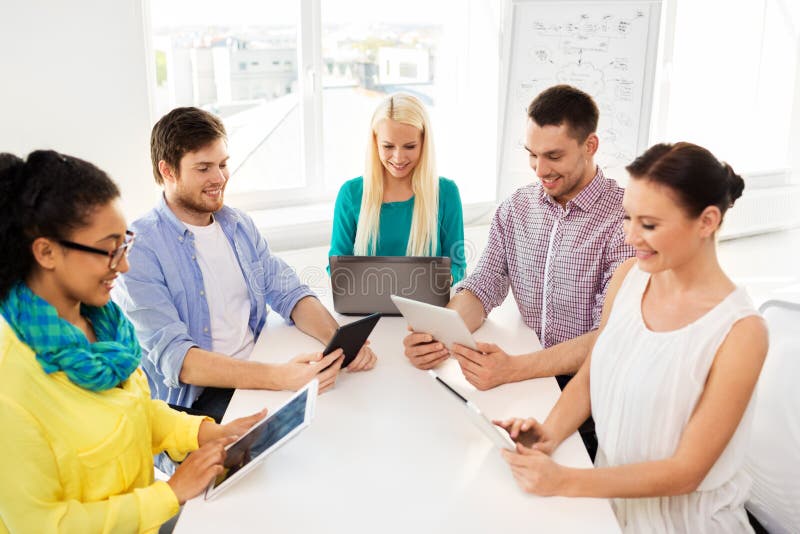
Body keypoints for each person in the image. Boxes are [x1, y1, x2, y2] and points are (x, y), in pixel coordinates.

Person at [496, 142, 767, 532]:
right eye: (627, 218)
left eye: (650, 225)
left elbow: (686, 472)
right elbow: (592, 375)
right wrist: (547, 435)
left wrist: (566, 480)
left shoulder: (741, 332)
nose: (630, 237)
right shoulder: (629, 278)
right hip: (604, 506)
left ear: (707, 222)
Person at [0, 150, 266, 532]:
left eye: (124, 243)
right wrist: (171, 492)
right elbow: (44, 525)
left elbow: (135, 412)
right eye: (109, 250)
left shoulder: (101, 324)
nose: (124, 265)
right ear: (46, 252)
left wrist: (208, 432)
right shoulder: (10, 386)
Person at [112, 107, 375, 424]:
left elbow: (290, 292)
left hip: (262, 368)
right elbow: (179, 361)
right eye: (204, 168)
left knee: (351, 417)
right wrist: (281, 378)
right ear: (168, 171)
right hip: (201, 404)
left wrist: (338, 344)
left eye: (223, 164)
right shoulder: (140, 248)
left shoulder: (237, 225)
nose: (220, 178)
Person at [403, 84, 633, 388]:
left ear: (590, 145)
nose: (540, 170)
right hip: (530, 377)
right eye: (532, 155)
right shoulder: (515, 208)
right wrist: (437, 337)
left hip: (592, 385)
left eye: (553, 156)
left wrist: (513, 369)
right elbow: (483, 285)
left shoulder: (627, 221)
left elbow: (609, 336)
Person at [329, 92, 466, 283]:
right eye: (388, 146)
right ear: (375, 142)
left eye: (410, 147)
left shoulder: (446, 193)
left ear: (424, 143)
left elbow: (457, 264)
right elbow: (336, 265)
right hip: (366, 311)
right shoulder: (350, 194)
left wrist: (443, 280)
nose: (399, 158)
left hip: (426, 310)